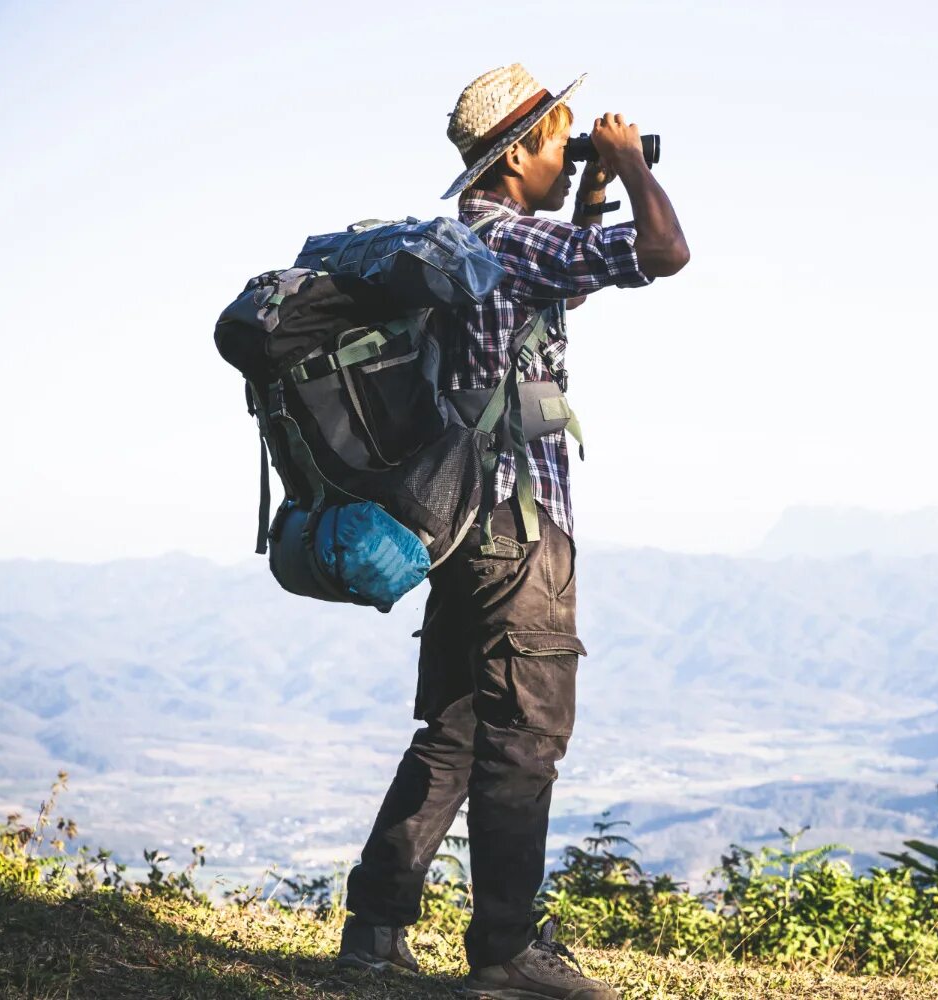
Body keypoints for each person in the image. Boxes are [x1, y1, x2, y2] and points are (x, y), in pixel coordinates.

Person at [334, 63, 688, 1000]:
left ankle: (374, 929)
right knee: (527, 738)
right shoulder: (519, 242)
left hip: (453, 525)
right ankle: (503, 951)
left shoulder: (462, 242)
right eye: (559, 144)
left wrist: (592, 186)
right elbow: (665, 253)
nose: (565, 157)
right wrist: (632, 171)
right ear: (520, 152)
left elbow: (550, 294)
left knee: (451, 730)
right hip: (522, 530)